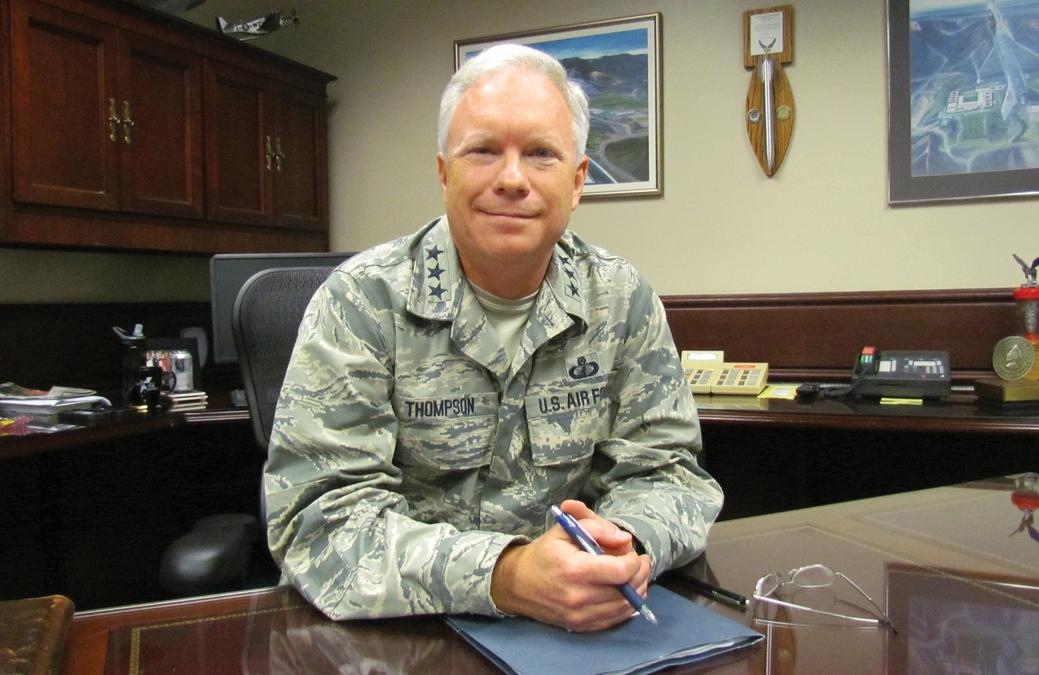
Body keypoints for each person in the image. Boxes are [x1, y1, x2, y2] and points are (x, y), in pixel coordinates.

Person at [263, 43, 724, 632]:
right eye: (483, 151)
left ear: (578, 180)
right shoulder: (360, 301)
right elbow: (317, 523)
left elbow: (670, 472)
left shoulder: (620, 298)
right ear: (443, 172)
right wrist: (505, 575)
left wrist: (625, 543)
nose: (512, 179)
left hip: (577, 628)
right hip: (398, 634)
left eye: (540, 154)